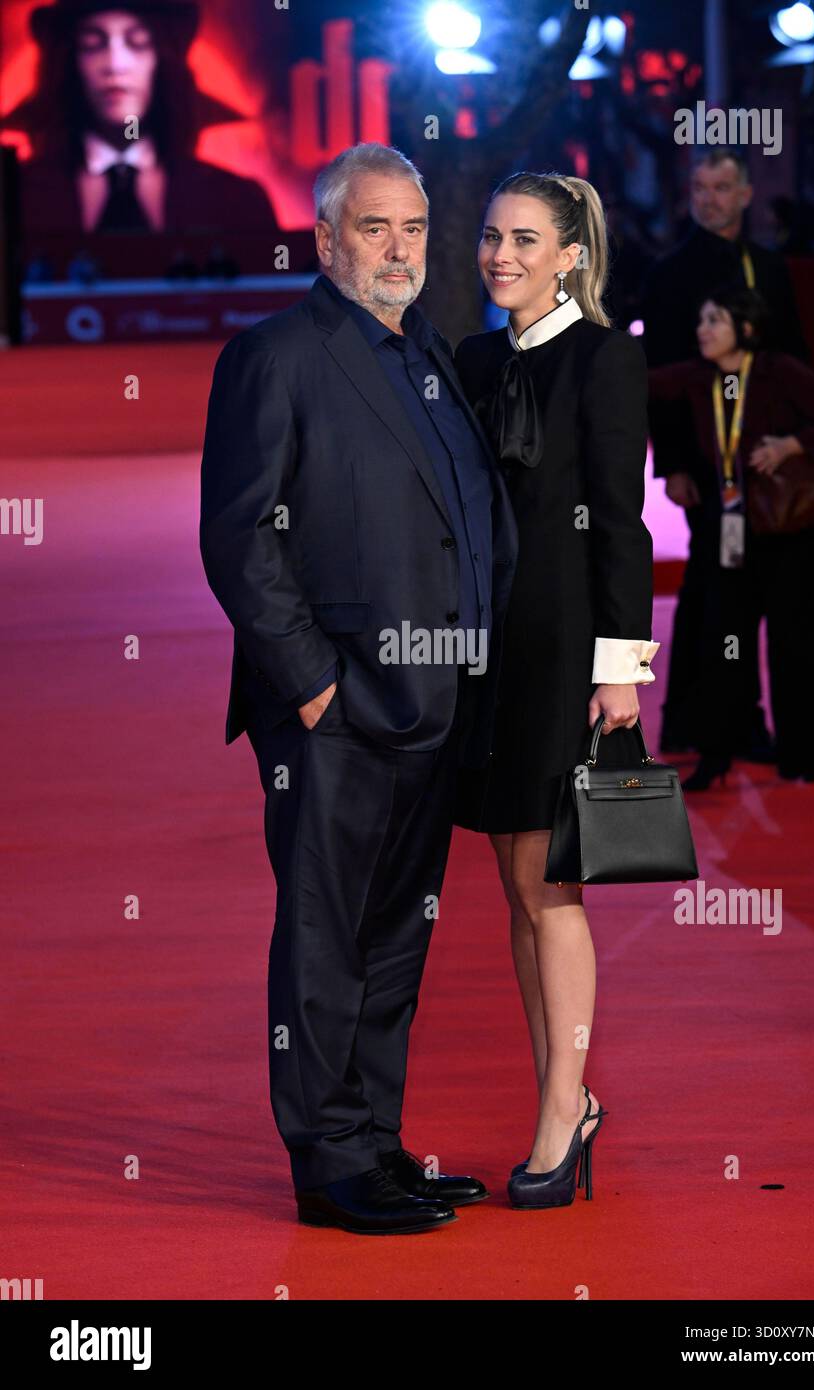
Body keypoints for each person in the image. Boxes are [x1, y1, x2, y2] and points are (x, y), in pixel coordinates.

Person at [200, 142, 519, 1235]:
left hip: (434, 701)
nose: (398, 249)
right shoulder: (275, 356)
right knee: (326, 938)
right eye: (374, 227)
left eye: (414, 229)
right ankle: (327, 1163)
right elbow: (239, 538)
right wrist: (310, 688)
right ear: (327, 236)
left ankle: (375, 1144)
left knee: (395, 938)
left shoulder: (428, 354)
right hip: (334, 713)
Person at [453, 171, 660, 1209]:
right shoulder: (473, 357)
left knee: (553, 893)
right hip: (485, 656)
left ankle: (560, 1109)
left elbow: (621, 522)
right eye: (490, 236)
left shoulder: (605, 359)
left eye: (523, 240)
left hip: (568, 657)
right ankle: (561, 1096)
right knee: (514, 890)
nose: (498, 255)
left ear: (570, 254)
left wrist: (620, 672)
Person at [649, 287, 814, 788]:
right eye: (702, 319)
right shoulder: (699, 378)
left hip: (787, 530)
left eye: (715, 319)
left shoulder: (778, 371)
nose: (703, 329)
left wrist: (789, 444)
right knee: (725, 640)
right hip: (731, 531)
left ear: (745, 328)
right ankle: (716, 752)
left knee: (797, 639)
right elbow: (640, 381)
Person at [641, 148, 808, 757]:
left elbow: (794, 363)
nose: (709, 198)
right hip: (707, 468)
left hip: (766, 465)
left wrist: (795, 444)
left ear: (745, 194)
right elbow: (659, 378)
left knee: (751, 590)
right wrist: (676, 466)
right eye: (700, 187)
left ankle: (736, 721)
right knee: (716, 590)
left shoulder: (771, 267)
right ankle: (703, 722)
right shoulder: (668, 275)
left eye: (722, 187)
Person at [17, 1, 278, 236]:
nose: (115, 64)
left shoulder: (237, 200)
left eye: (138, 42)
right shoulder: (17, 197)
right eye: (93, 44)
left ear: (162, 60)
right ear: (69, 63)